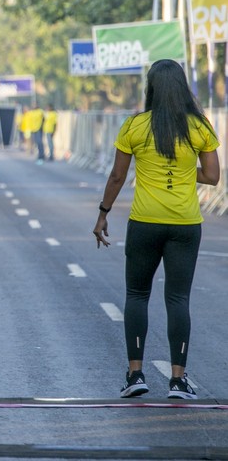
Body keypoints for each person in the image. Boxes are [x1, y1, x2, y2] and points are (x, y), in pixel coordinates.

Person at [93, 59, 220, 401]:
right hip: (185, 224)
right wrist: (180, 171)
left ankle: (135, 375)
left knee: (137, 295)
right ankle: (178, 381)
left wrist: (103, 214)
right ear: (182, 88)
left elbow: (117, 176)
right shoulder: (199, 127)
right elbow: (211, 176)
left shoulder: (135, 126)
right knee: (178, 298)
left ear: (150, 88)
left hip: (145, 223)